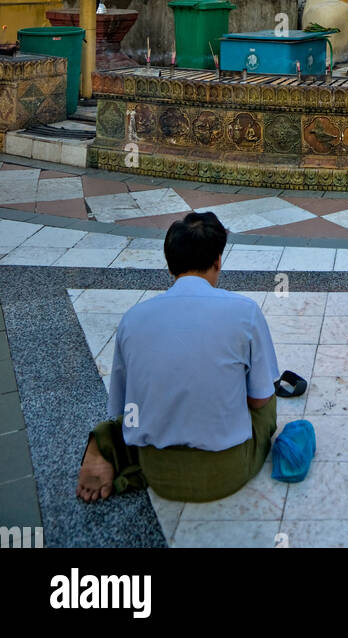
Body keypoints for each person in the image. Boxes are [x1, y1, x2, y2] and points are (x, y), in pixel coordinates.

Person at [76, 212, 280, 504]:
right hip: (228, 472)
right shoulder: (245, 312)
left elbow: (124, 407)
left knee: (139, 414)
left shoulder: (132, 319)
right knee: (267, 398)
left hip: (156, 471)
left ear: (170, 266)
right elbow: (259, 400)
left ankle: (106, 446)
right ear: (218, 261)